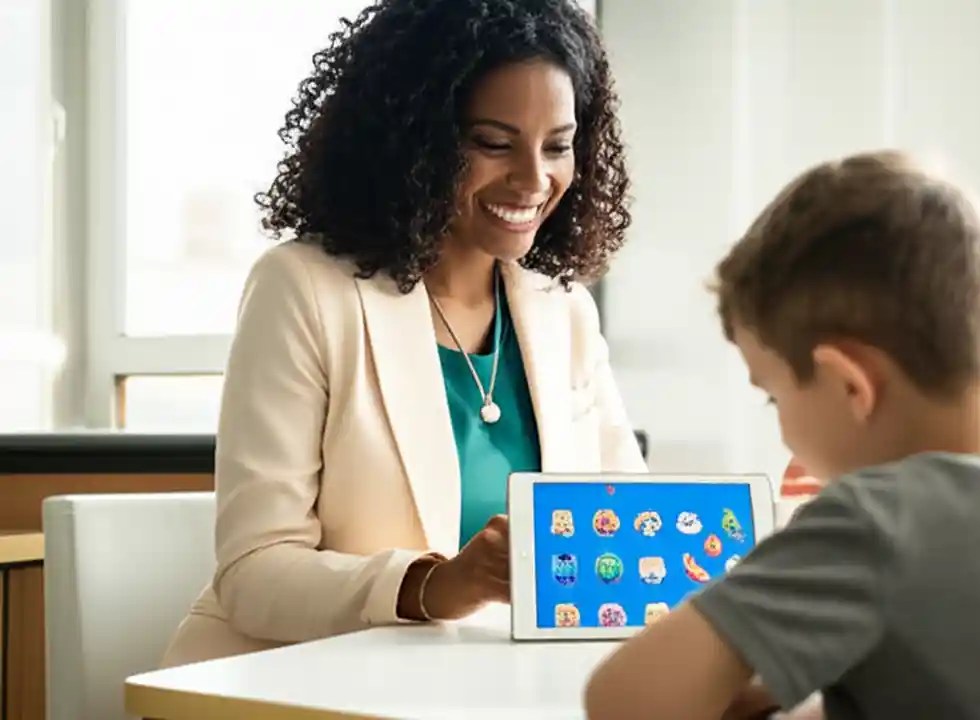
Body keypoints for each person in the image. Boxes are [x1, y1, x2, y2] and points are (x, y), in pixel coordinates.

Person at [584, 152, 980, 719]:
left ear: (849, 386)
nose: (782, 427)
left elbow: (620, 700)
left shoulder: (873, 520)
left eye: (772, 396)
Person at [162, 0, 645, 667]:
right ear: (413, 138)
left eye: (557, 146)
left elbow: (619, 530)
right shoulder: (302, 289)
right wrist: (434, 585)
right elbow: (254, 572)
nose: (536, 179)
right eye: (494, 143)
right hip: (290, 683)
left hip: (474, 687)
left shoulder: (562, 311)